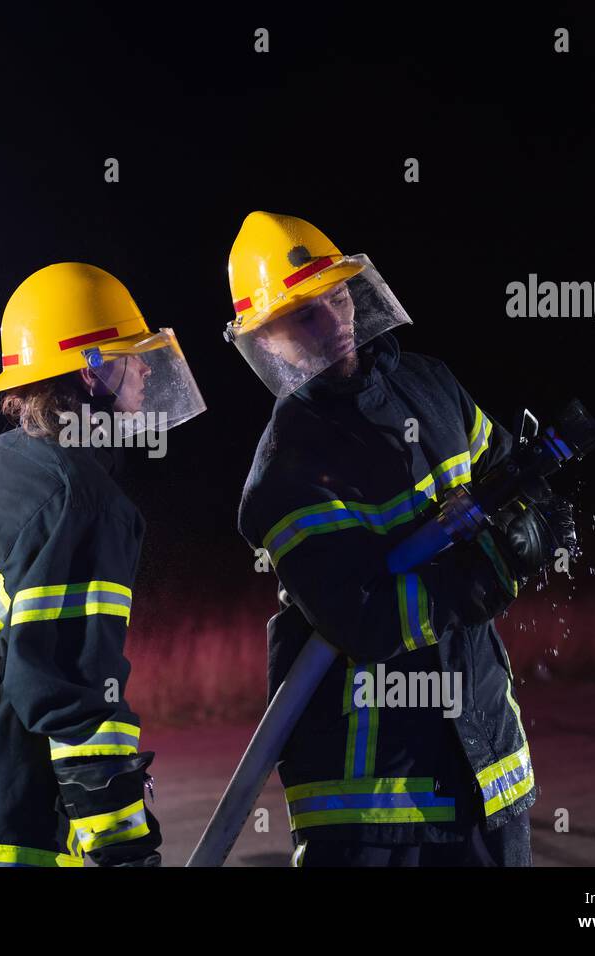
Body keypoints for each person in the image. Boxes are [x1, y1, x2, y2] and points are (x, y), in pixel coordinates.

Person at [226, 211, 573, 866]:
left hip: (487, 771)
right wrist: (489, 571)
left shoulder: (431, 386)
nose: (333, 324)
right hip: (373, 803)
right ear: (266, 340)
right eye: (303, 316)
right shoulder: (286, 469)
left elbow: (508, 475)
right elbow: (364, 620)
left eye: (334, 297)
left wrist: (535, 518)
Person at [0, 261, 206, 866]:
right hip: (3, 820)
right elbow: (72, 698)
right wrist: (124, 845)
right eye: (133, 355)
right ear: (92, 369)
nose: (148, 369)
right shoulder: (86, 501)